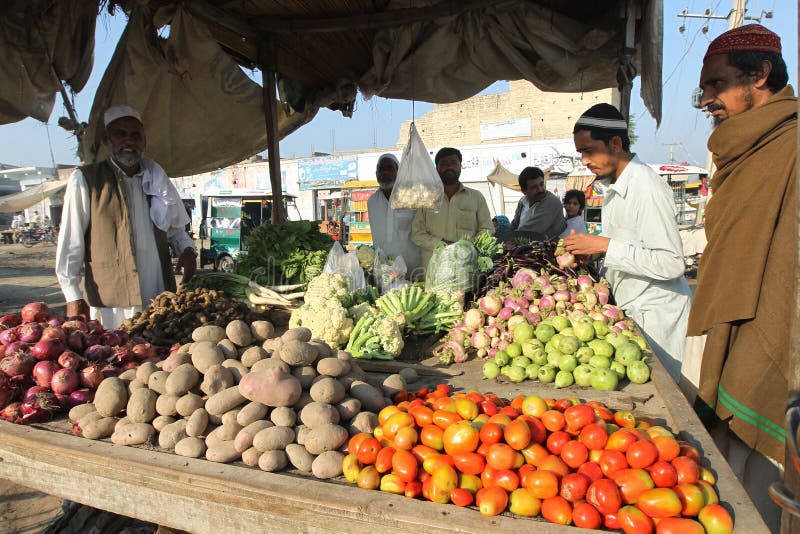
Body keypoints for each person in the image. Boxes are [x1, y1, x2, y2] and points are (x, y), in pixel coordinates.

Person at [685, 25, 794, 530]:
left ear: (761, 75)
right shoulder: (743, 149)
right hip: (721, 322)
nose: (707, 99)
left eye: (716, 84)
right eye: (703, 88)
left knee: (758, 493)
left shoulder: (790, 145)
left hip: (774, 338)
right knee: (723, 482)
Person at [563, 103, 691, 382]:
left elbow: (671, 263)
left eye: (588, 151)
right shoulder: (612, 187)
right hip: (632, 310)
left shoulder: (646, 186)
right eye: (580, 153)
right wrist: (594, 254)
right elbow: (629, 245)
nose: (584, 161)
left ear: (616, 143)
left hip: (656, 317)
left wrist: (603, 246)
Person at [56, 105, 197, 328]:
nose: (128, 141)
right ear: (106, 139)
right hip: (112, 301)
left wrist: (188, 250)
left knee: (155, 356)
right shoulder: (87, 180)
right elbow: (71, 243)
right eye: (120, 133)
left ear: (144, 142)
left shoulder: (156, 180)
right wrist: (72, 295)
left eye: (135, 135)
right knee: (115, 355)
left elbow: (175, 229)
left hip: (158, 294)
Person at [411, 147, 493, 272]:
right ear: (436, 168)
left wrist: (467, 248)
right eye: (444, 164)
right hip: (435, 271)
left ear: (460, 166)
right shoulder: (426, 198)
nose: (449, 167)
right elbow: (417, 234)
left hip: (466, 269)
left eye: (454, 163)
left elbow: (487, 229)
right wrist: (442, 244)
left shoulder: (476, 197)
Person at [367, 153, 422, 278]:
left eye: (389, 168)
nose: (384, 172)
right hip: (386, 273)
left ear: (398, 172)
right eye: (381, 169)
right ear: (376, 174)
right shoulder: (372, 201)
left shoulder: (412, 198)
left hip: (414, 269)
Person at [510, 167, 566, 240]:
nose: (540, 189)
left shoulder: (551, 202)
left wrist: (508, 237)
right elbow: (514, 225)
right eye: (534, 187)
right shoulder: (522, 202)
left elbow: (529, 232)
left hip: (549, 249)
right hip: (523, 247)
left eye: (542, 184)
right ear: (524, 191)